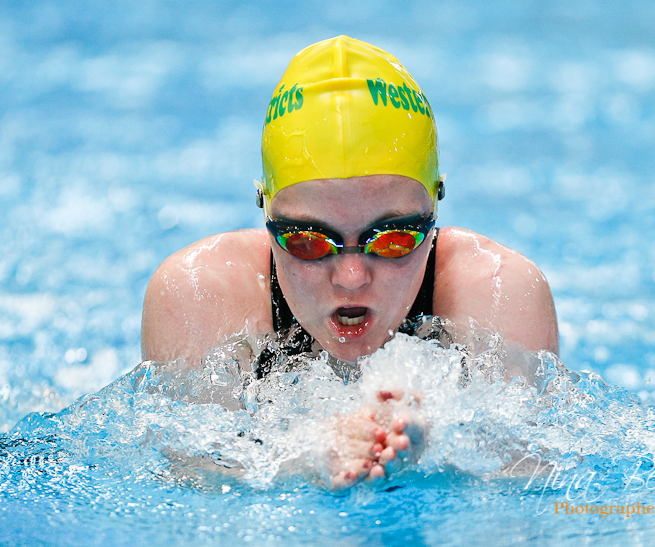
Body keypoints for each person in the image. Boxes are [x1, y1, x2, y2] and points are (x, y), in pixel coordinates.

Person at [141, 36, 558, 489]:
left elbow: (529, 492)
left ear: (435, 211)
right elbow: (193, 489)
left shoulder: (497, 289)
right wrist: (306, 459)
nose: (352, 277)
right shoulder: (201, 293)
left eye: (395, 238)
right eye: (308, 241)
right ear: (265, 213)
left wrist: (440, 450)